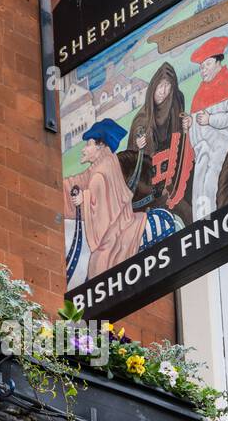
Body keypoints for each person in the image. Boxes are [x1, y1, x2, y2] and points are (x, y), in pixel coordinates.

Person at [64, 120, 150, 278]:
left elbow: (102, 207)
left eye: (88, 144)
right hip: (113, 224)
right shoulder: (100, 166)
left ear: (100, 146)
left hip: (115, 230)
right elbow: (79, 181)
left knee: (99, 264)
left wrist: (84, 199)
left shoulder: (102, 171)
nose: (83, 150)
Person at [124, 63, 194, 223]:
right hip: (153, 181)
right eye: (160, 86)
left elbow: (181, 134)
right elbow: (134, 161)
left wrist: (187, 126)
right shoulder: (142, 119)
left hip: (177, 167)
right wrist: (139, 144)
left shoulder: (176, 102)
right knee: (184, 211)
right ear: (153, 87)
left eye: (167, 86)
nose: (163, 91)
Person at [187, 35, 228, 221]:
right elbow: (196, 120)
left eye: (206, 65)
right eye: (201, 67)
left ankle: (213, 213)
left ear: (216, 62)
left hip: (225, 135)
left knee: (214, 168)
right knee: (200, 173)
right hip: (204, 142)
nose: (202, 71)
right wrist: (191, 124)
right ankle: (200, 217)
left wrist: (210, 119)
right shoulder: (200, 91)